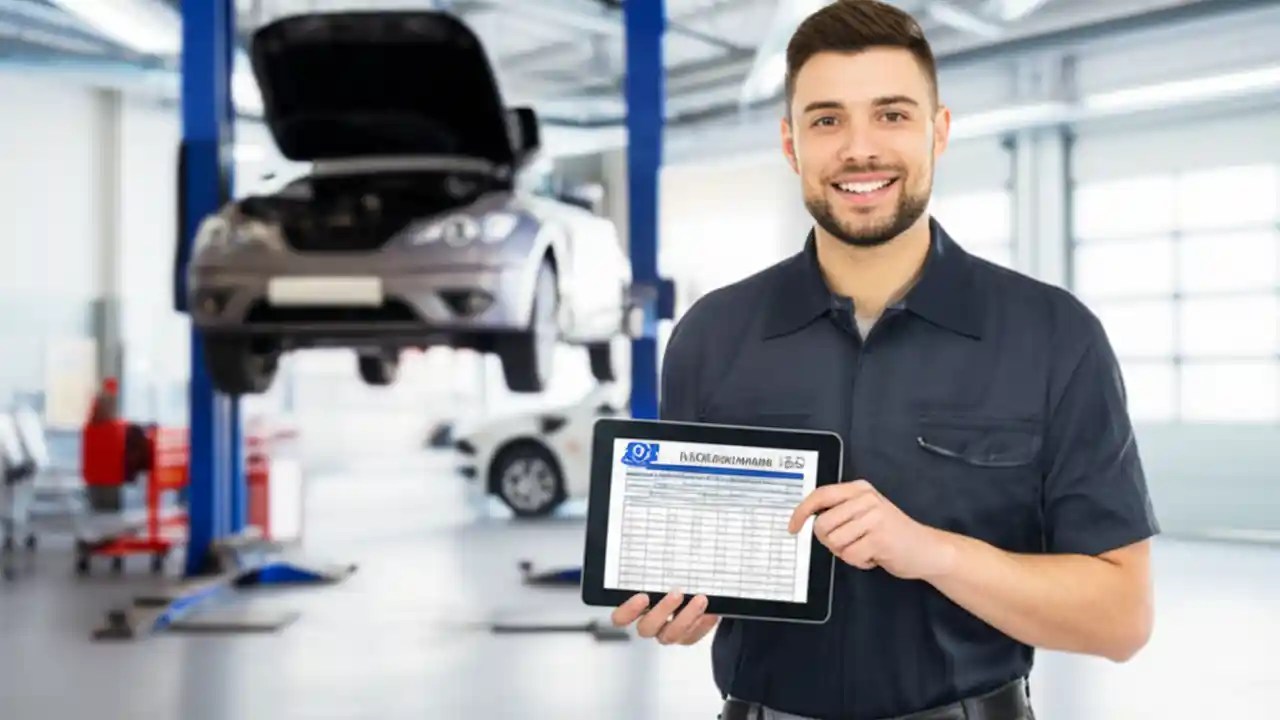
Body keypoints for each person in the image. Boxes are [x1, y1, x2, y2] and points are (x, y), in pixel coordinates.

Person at [609, 1, 1159, 719]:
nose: (859, 149)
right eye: (826, 120)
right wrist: (685, 604)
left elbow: (1121, 617)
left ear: (939, 131)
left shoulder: (1054, 335)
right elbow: (689, 566)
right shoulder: (711, 336)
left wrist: (935, 553)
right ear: (791, 144)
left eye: (892, 115)